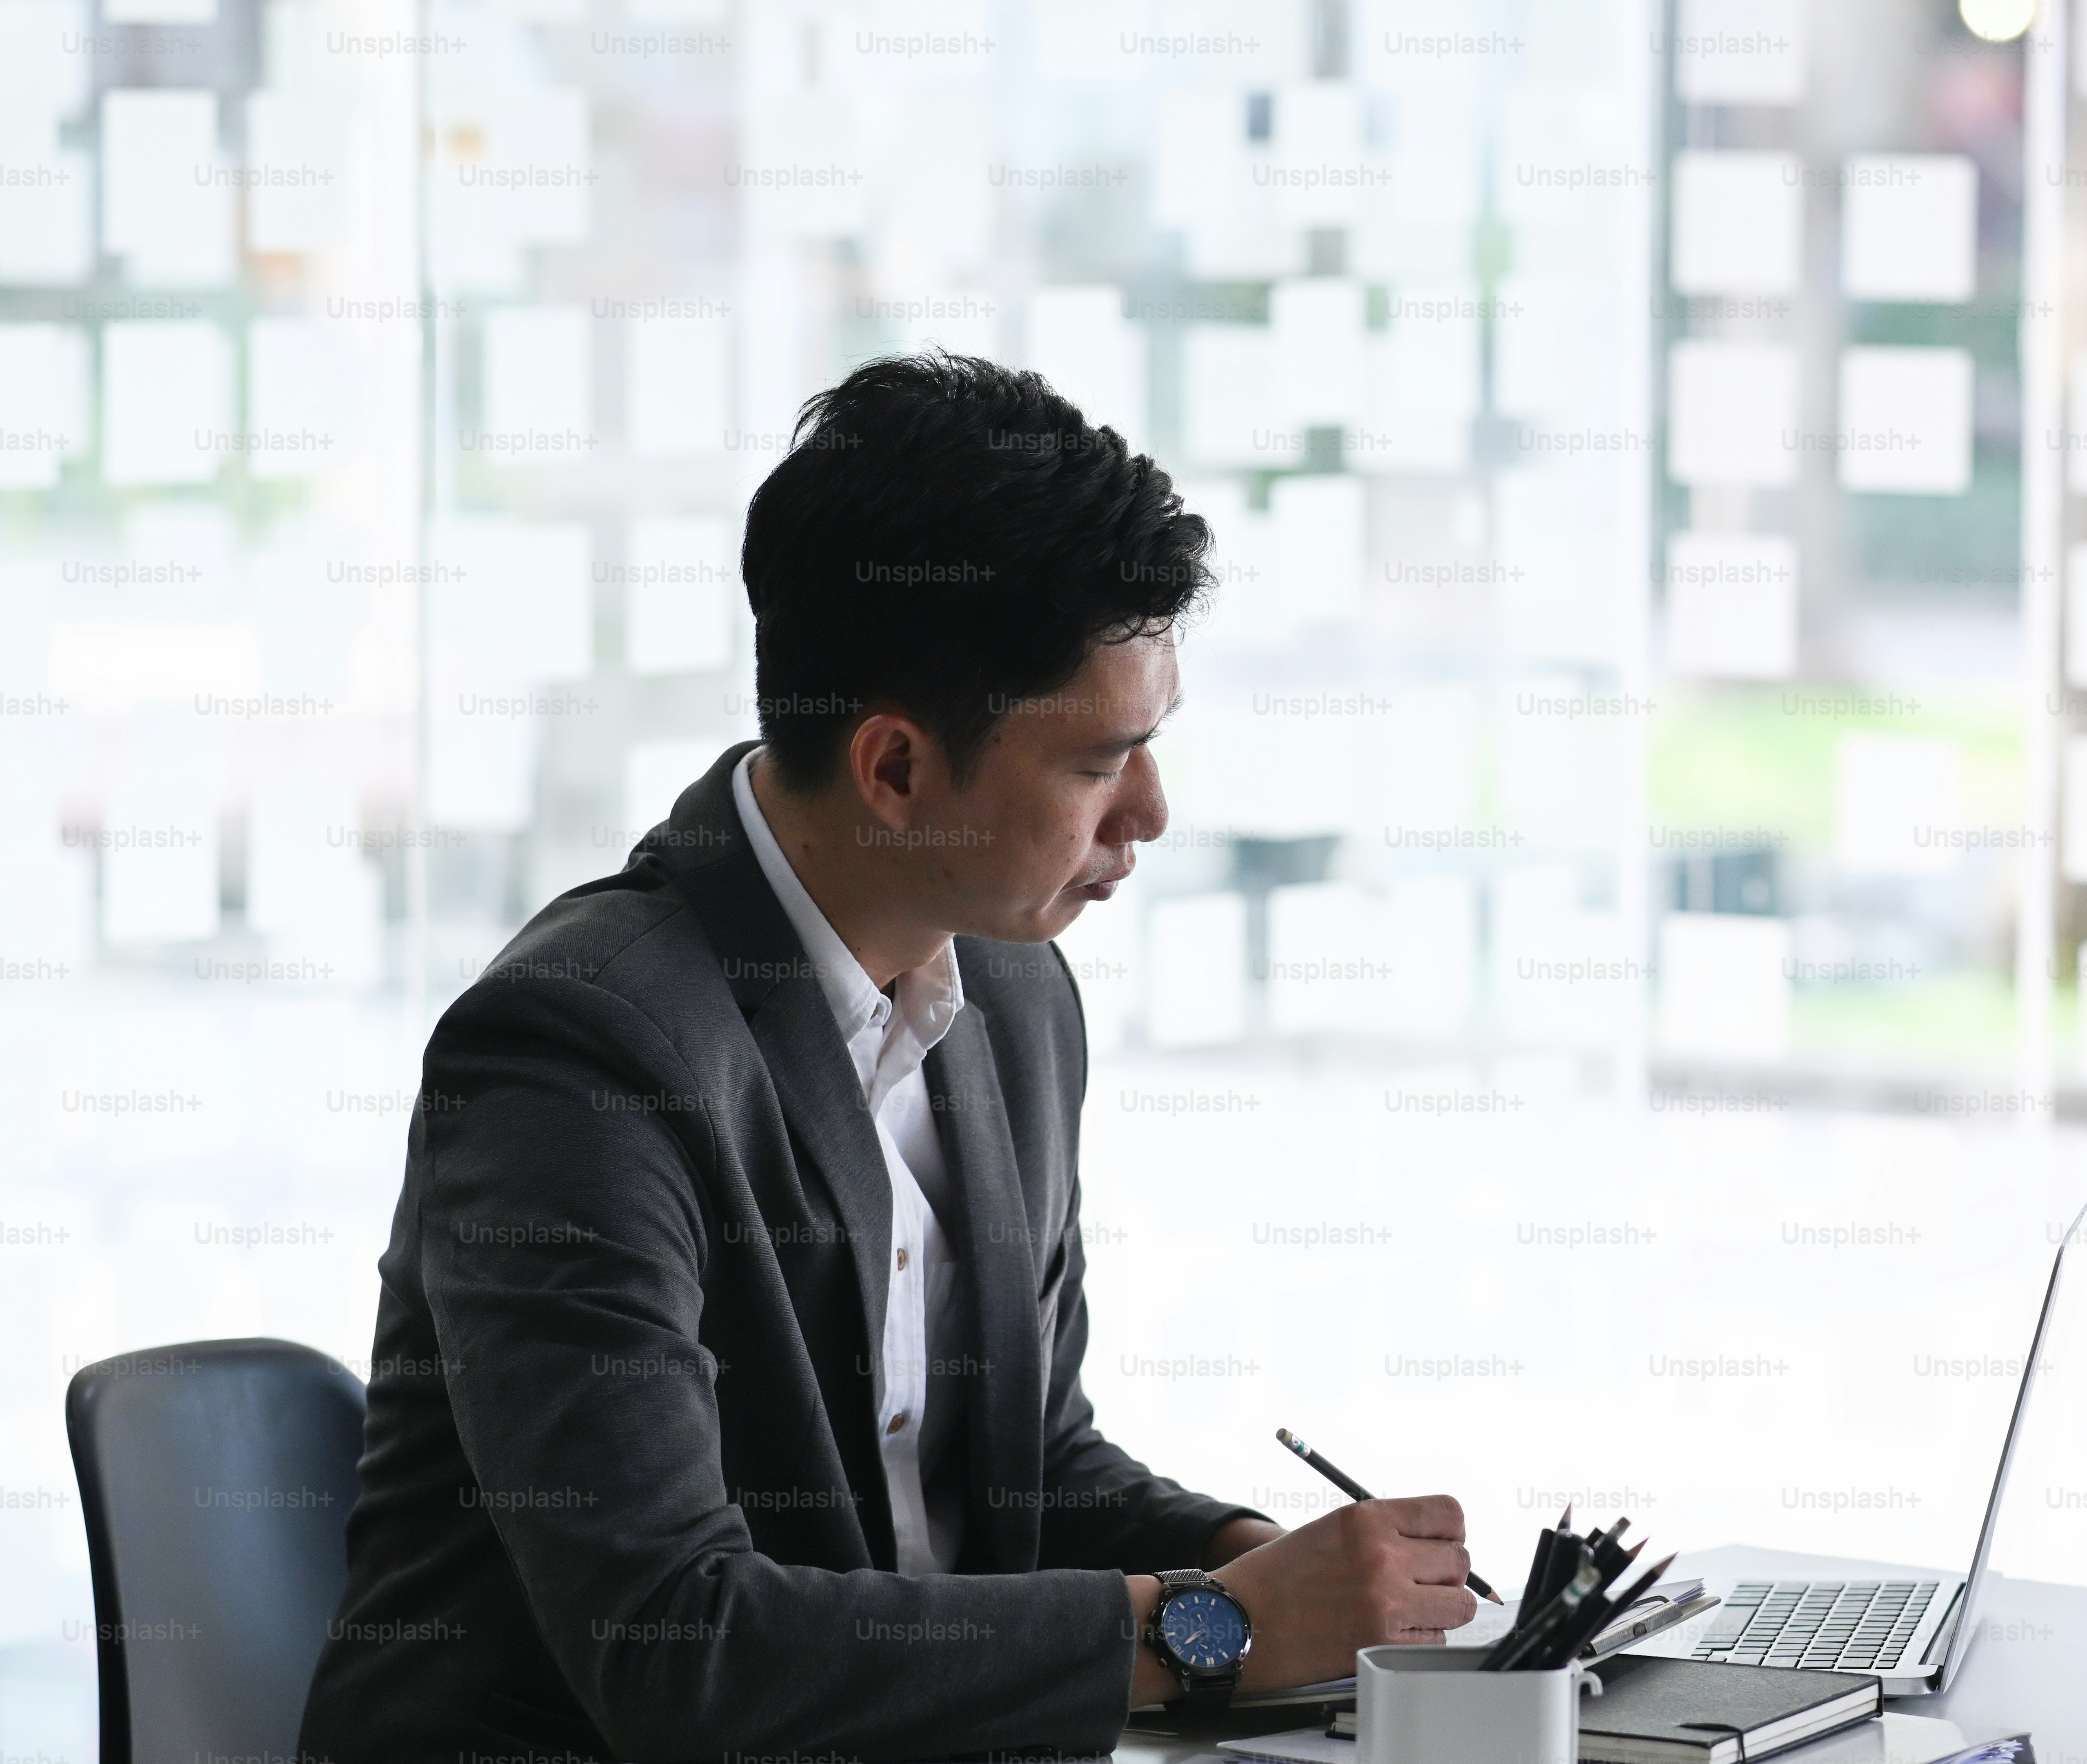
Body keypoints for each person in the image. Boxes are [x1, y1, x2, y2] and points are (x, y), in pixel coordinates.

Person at [301, 354, 1478, 1762]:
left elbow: (1023, 1468)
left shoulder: (1019, 994)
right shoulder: (580, 1057)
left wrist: (1275, 1564)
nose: (1151, 813)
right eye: (1104, 762)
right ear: (898, 769)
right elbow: (683, 1648)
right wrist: (1201, 1627)